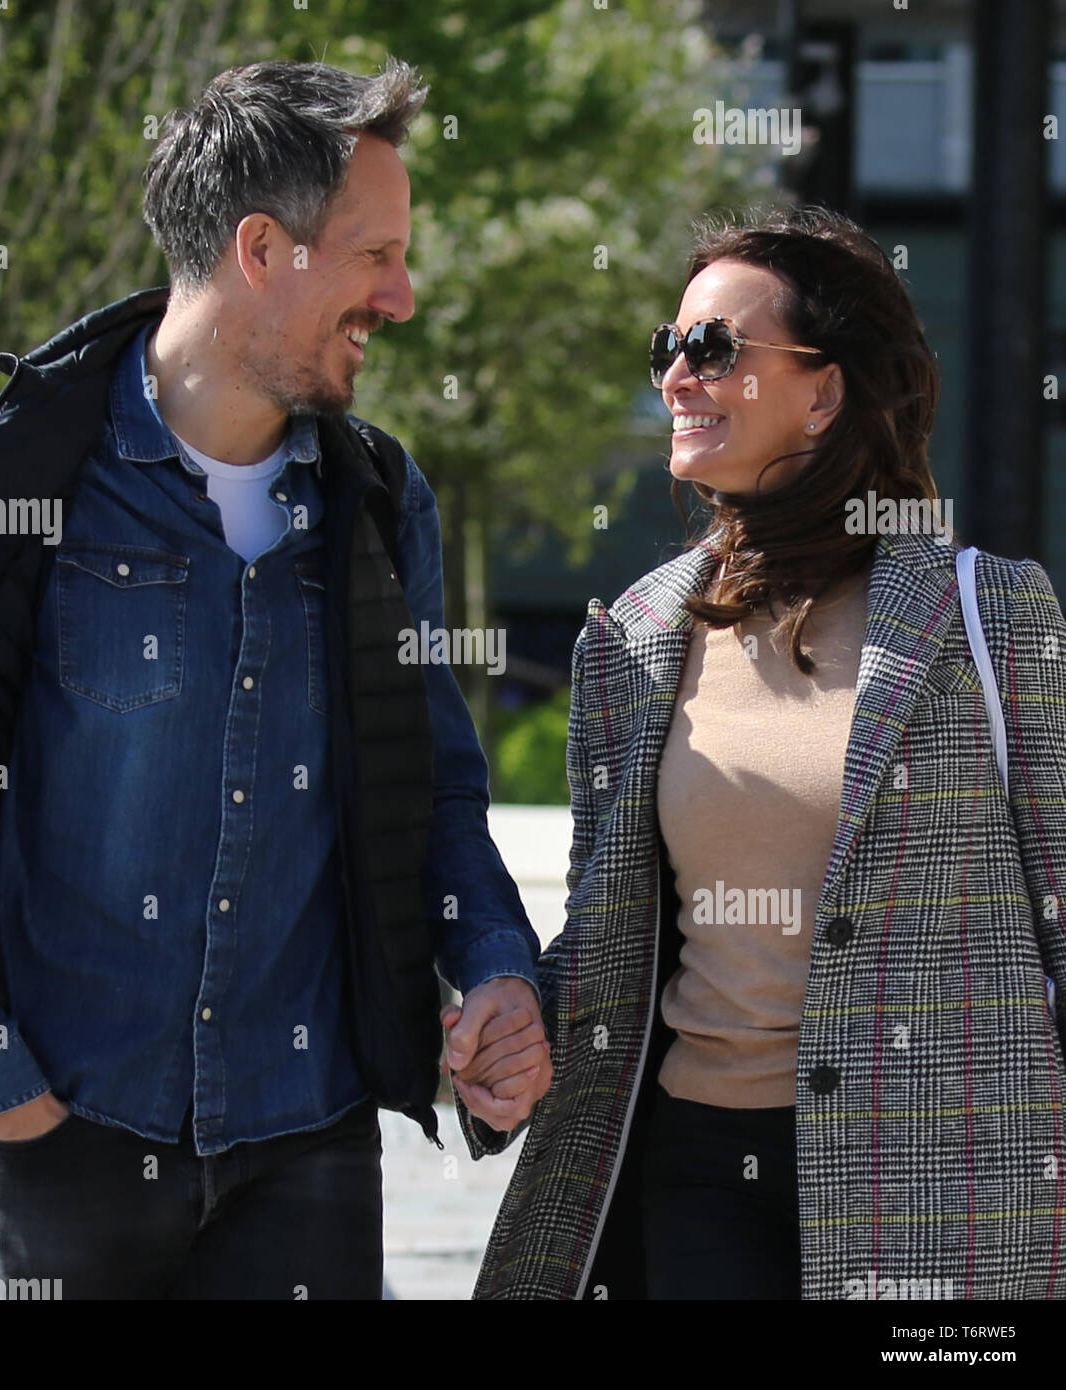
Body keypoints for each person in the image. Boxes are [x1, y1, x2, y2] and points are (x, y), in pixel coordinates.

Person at [0, 58, 552, 1300]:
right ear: (261, 248)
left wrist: (496, 964)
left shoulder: (380, 502)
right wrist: (0, 1091)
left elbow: (432, 788)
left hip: (306, 1151)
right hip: (58, 1143)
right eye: (374, 255)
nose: (404, 294)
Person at [453, 204, 1066, 1300]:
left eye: (714, 347)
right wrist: (510, 1034)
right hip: (694, 1178)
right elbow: (612, 933)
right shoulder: (634, 636)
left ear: (825, 392)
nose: (677, 376)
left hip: (943, 1194)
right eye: (667, 349)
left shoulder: (990, 615)